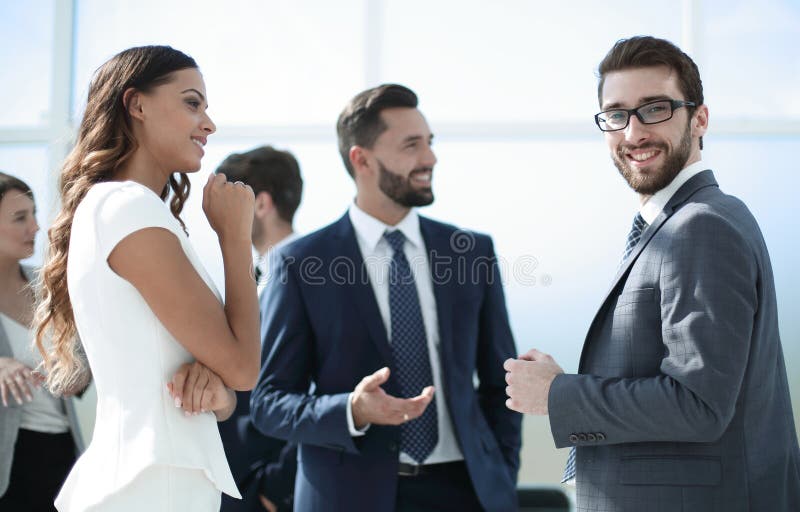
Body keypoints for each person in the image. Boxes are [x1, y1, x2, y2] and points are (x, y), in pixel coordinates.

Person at [504, 35, 800, 511]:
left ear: (699, 119)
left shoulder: (700, 227)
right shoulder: (683, 221)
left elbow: (698, 404)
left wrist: (558, 395)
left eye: (654, 109)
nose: (633, 133)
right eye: (616, 115)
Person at [250, 84, 521, 512]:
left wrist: (501, 473)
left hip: (466, 493)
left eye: (429, 143)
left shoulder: (471, 252)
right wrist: (351, 411)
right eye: (411, 145)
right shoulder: (299, 263)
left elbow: (498, 382)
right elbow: (269, 403)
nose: (430, 159)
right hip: (347, 497)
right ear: (362, 160)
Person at [33, 45, 261, 511]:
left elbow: (220, 380)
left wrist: (216, 392)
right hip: (152, 483)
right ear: (136, 105)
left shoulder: (127, 210)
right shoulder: (127, 209)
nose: (208, 124)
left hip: (156, 476)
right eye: (192, 103)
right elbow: (244, 368)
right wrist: (237, 239)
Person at [215, 146, 303, 512]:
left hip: (274, 489)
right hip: (239, 481)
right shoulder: (253, 278)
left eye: (227, 203)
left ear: (261, 204)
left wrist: (277, 488)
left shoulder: (308, 277)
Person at [0, 172, 84, 511]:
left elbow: (82, 373)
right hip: (10, 459)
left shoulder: (50, 287)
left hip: (64, 450)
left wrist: (72, 371)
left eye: (33, 214)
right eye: (20, 218)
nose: (35, 227)